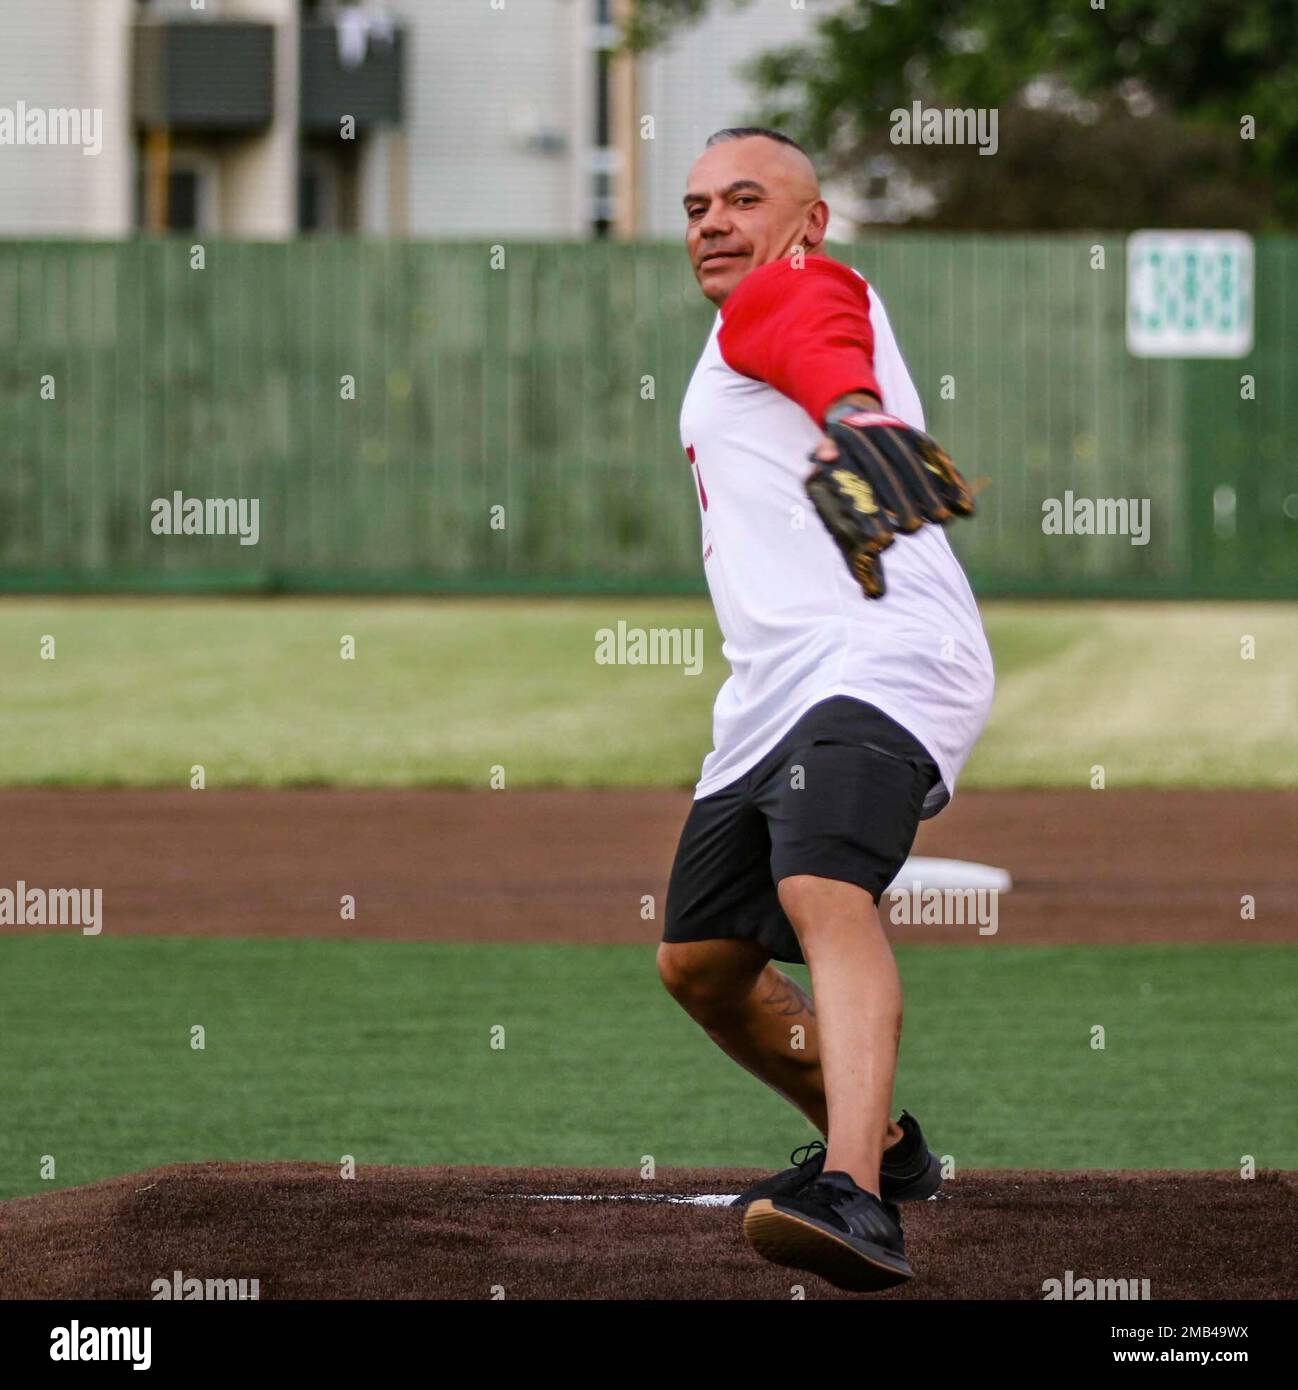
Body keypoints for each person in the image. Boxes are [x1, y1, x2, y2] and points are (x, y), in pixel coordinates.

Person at [658, 128, 995, 1292]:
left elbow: (819, 335)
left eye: (744, 198)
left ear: (811, 219)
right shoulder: (736, 325)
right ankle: (892, 1149)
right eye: (696, 202)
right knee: (699, 963)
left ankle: (852, 1196)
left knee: (818, 889)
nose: (711, 220)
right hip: (770, 691)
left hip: (881, 655)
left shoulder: (797, 285)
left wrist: (851, 413)